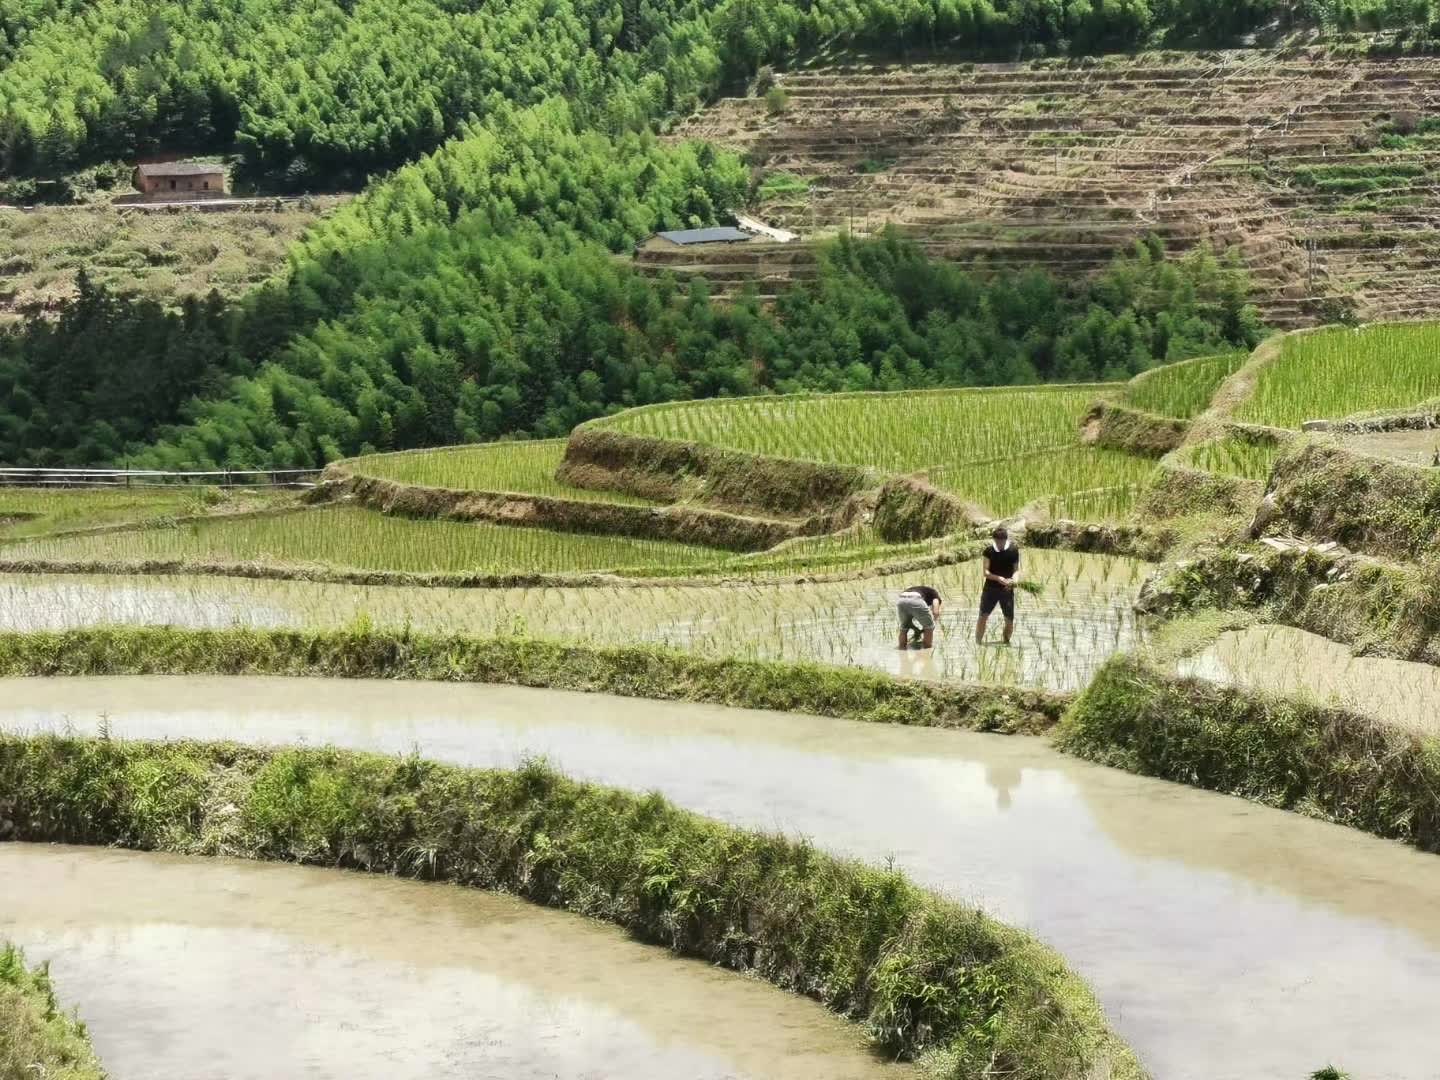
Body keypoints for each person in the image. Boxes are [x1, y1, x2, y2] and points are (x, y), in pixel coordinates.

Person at [976, 526, 1020, 646]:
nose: (999, 544)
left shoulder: (1013, 550)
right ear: (994, 540)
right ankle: (978, 644)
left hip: (1007, 589)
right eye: (997, 541)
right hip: (990, 589)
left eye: (1002, 541)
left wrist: (1014, 580)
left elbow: (1016, 570)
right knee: (983, 617)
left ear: (1006, 540)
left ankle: (1006, 643)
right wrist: (999, 578)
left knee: (1009, 620)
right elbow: (986, 572)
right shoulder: (988, 551)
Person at [896, 584, 942, 650]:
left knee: (904, 627)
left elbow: (912, 610)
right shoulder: (935, 594)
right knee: (929, 627)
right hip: (916, 598)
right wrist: (934, 622)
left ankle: (902, 648)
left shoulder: (920, 590)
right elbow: (935, 611)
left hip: (901, 599)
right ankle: (927, 649)